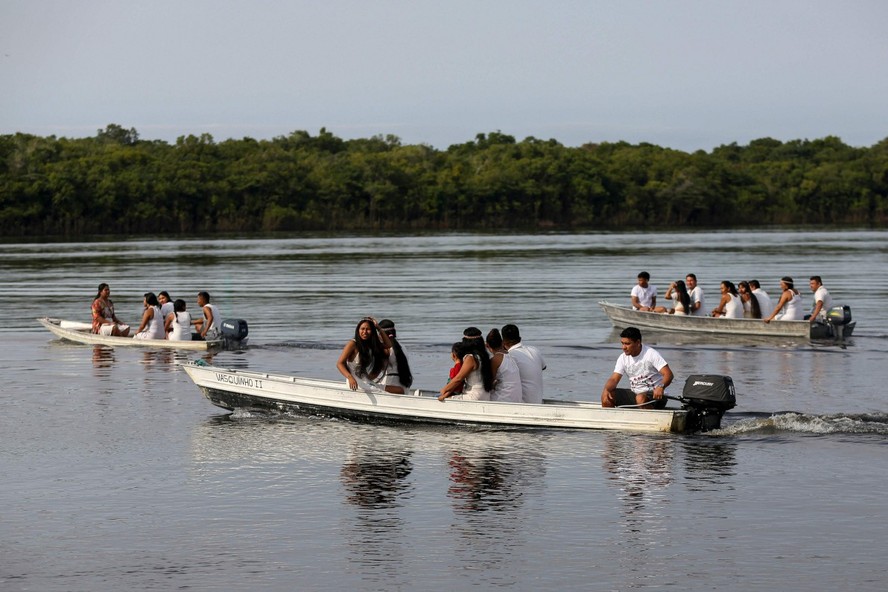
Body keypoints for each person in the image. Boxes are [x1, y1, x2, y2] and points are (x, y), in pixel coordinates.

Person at [601, 326, 673, 409]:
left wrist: (661, 387)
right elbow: (614, 379)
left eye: (627, 344)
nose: (623, 347)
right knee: (606, 396)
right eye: (622, 343)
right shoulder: (622, 358)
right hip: (636, 394)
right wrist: (607, 389)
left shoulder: (651, 354)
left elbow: (668, 374)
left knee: (640, 398)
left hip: (656, 396)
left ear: (638, 342)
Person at [336, 317, 393, 390]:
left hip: (366, 381)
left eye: (368, 329)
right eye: (362, 329)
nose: (365, 332)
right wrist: (350, 377)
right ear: (358, 330)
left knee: (396, 390)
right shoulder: (353, 344)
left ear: (372, 331)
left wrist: (378, 327)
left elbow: (388, 345)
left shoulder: (371, 344)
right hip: (355, 383)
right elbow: (339, 364)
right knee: (386, 391)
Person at [501, 324, 546, 404]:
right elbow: (543, 367)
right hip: (538, 400)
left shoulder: (509, 356)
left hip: (523, 403)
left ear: (503, 342)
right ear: (520, 338)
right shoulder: (534, 350)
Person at [439, 336, 493, 401]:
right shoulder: (484, 357)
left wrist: (444, 390)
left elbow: (458, 380)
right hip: (486, 395)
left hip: (474, 395)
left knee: (442, 398)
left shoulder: (470, 358)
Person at [485, 328, 523, 403]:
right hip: (517, 398)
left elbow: (488, 384)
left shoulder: (495, 359)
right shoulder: (509, 355)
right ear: (502, 343)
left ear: (487, 345)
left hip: (504, 398)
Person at [377, 319, 413, 394]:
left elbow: (379, 368)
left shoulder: (386, 349)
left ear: (381, 334)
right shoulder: (402, 346)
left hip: (391, 384)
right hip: (405, 385)